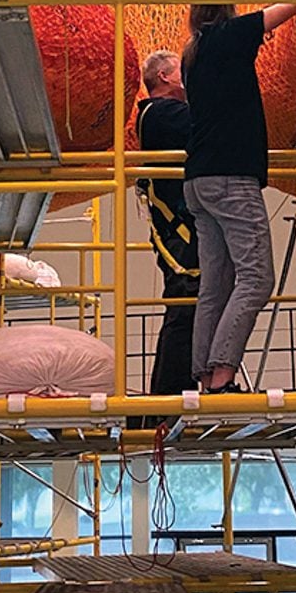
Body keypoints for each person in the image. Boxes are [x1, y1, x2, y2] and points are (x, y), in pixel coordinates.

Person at [182, 0, 296, 393]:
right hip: (231, 176)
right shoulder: (231, 35)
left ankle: (204, 377)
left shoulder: (192, 53)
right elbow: (295, 3)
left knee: (214, 285)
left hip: (199, 179)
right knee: (257, 278)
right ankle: (222, 374)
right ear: (228, 9)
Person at [136, 50, 199, 395]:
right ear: (163, 76)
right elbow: (207, 123)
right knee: (186, 304)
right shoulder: (163, 113)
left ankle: (170, 395)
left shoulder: (161, 116)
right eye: (181, 72)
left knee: (187, 307)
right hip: (179, 230)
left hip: (180, 226)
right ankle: (170, 397)